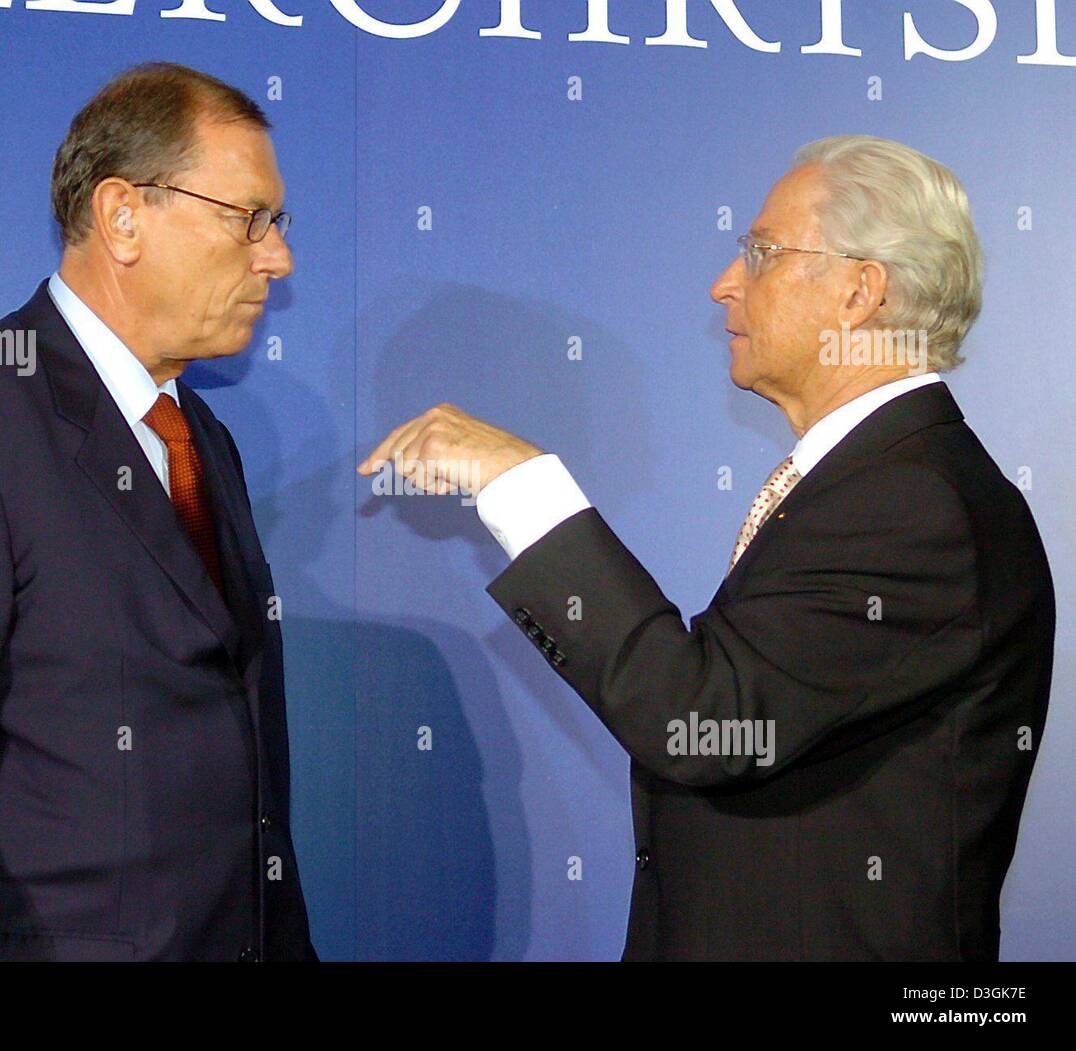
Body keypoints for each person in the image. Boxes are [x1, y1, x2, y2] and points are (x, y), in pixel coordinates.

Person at [358, 135, 1054, 961]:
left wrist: (520, 481)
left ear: (861, 291)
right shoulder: (879, 482)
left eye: (761, 253)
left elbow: (702, 721)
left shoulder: (912, 501)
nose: (724, 284)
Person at [0, 62, 315, 961]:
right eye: (250, 220)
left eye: (278, 224)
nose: (277, 256)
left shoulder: (204, 444)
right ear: (122, 216)